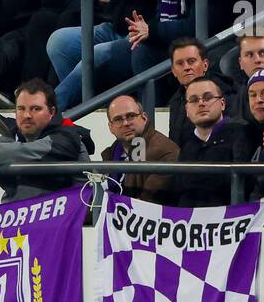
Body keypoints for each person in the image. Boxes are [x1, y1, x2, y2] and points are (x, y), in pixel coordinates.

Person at [175, 75, 252, 206]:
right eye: (193, 100)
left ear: (222, 104)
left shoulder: (241, 133)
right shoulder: (186, 143)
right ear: (187, 110)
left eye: (208, 97)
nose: (201, 103)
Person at [101, 94, 179, 203]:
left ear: (144, 118)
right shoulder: (113, 152)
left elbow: (148, 203)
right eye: (118, 119)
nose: (126, 123)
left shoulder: (166, 152)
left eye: (131, 116)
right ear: (111, 127)